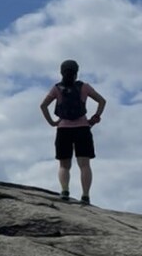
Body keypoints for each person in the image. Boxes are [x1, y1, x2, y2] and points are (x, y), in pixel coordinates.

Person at [39, 59, 106, 205]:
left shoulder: (57, 89)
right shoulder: (84, 87)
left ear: (61, 72)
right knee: (84, 165)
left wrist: (52, 122)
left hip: (63, 129)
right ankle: (86, 195)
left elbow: (43, 105)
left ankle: (64, 191)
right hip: (83, 128)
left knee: (64, 165)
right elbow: (102, 101)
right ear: (77, 72)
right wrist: (95, 118)